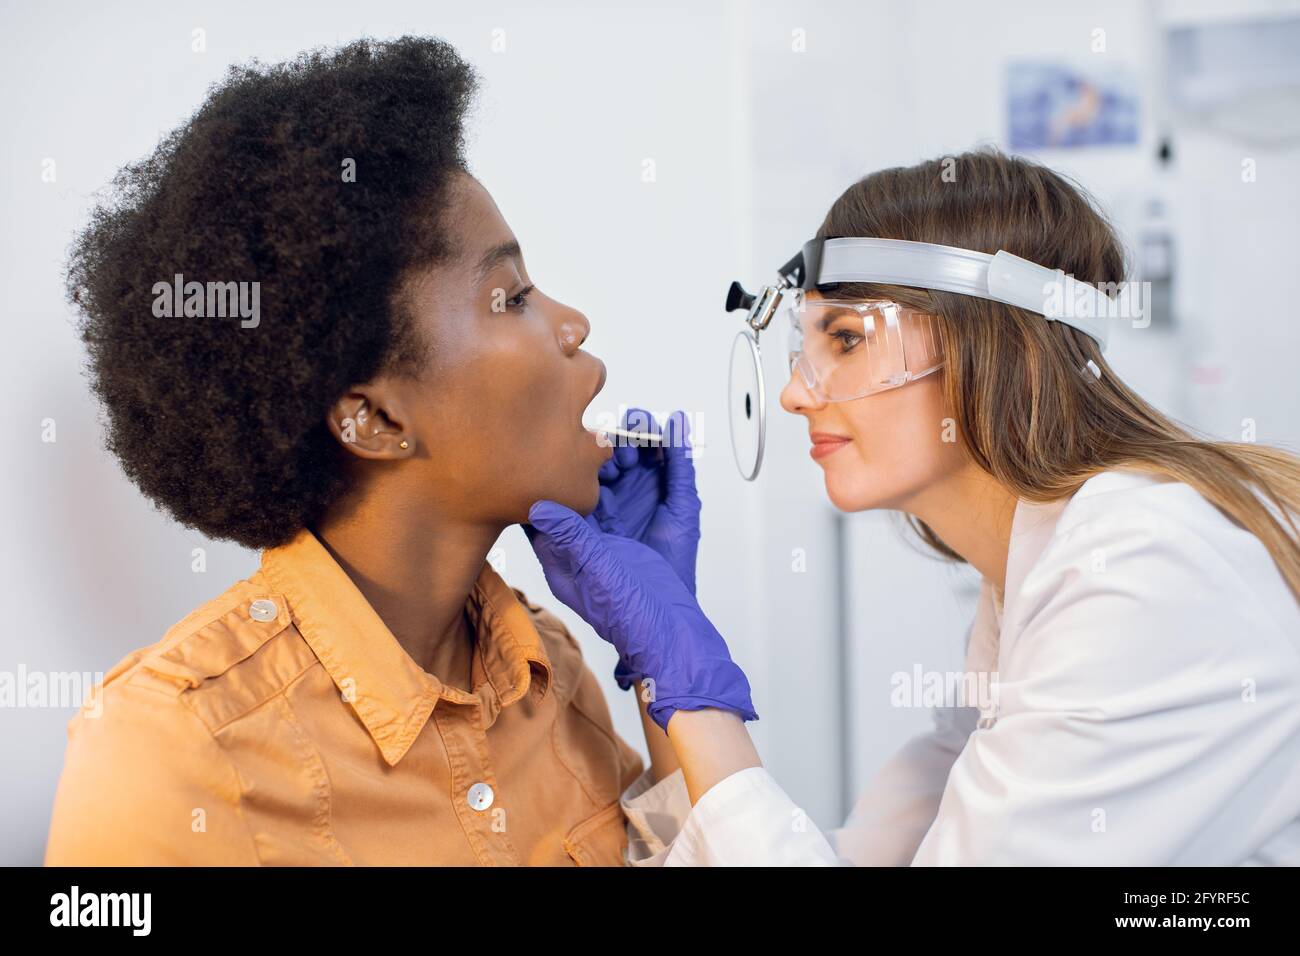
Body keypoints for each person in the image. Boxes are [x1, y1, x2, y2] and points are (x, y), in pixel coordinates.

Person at [526, 149, 1300, 865]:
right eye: (803, 349)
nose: (798, 393)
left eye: (848, 339)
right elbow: (852, 858)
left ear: (1006, 347)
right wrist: (669, 684)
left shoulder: (1143, 569)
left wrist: (688, 681)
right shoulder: (1027, 590)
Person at [47, 37, 660, 866]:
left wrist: (666, 666)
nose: (571, 322)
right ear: (373, 419)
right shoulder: (169, 750)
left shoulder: (547, 671)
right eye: (508, 297)